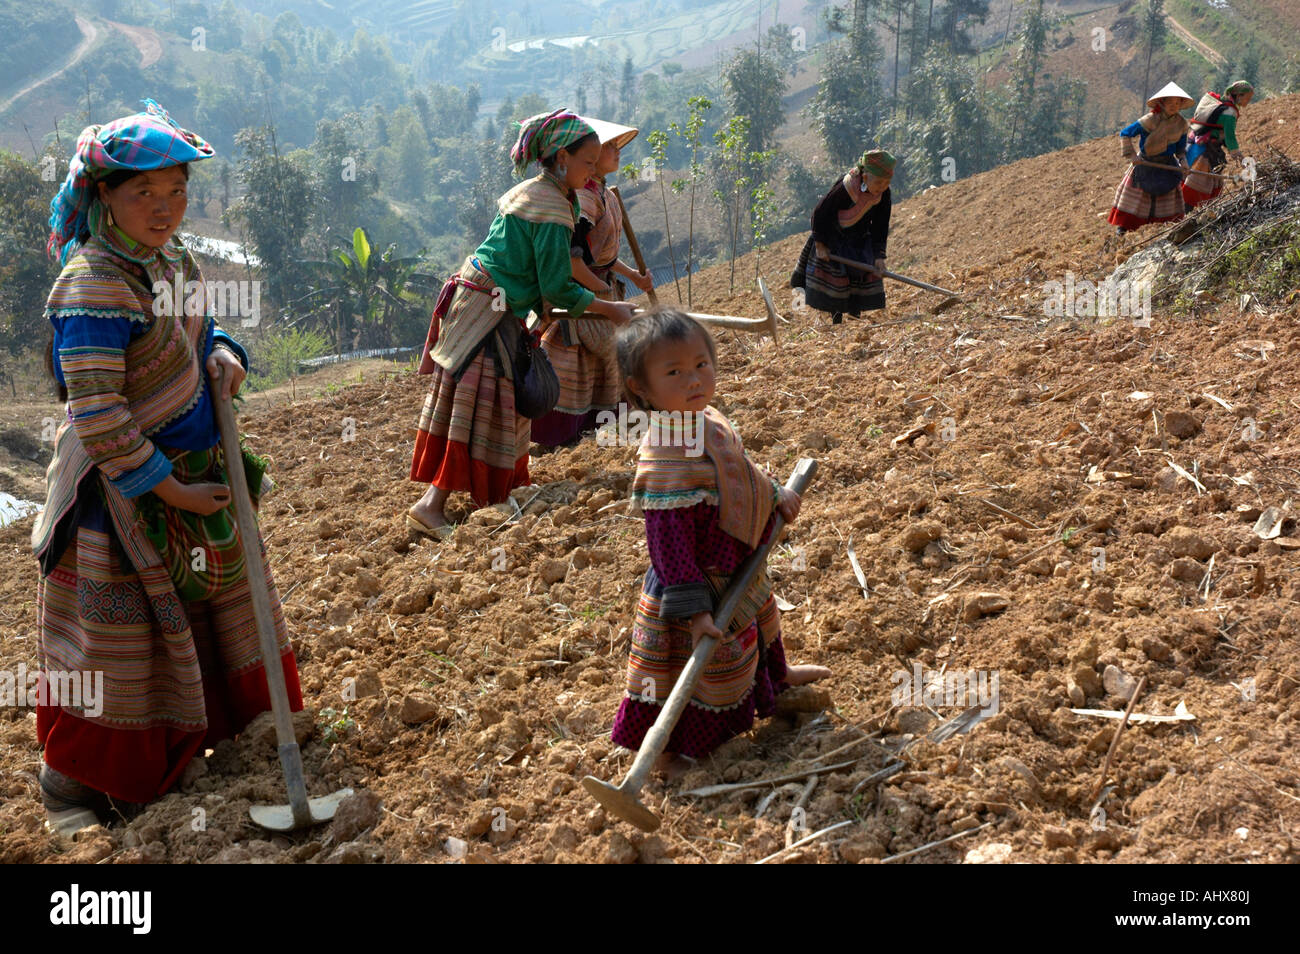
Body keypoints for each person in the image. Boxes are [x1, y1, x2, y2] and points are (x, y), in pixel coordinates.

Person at [31, 100, 301, 832]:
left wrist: (227, 357)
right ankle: (72, 786)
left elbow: (203, 330)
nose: (164, 207)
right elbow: (98, 410)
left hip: (192, 468)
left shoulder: (172, 260)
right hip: (117, 493)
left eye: (176, 190)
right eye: (143, 193)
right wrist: (170, 488)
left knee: (203, 617)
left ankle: (183, 759)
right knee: (118, 645)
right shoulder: (92, 284)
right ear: (104, 199)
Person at [608, 311, 831, 776]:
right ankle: (673, 754)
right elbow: (667, 549)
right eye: (674, 372)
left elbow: (739, 471)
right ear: (641, 389)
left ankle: (780, 678)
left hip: (736, 560)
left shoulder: (707, 420)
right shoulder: (665, 457)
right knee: (704, 670)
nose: (694, 379)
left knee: (764, 623)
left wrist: (776, 495)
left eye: (701, 364)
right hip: (695, 584)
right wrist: (695, 612)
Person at [407, 109, 636, 538]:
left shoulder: (542, 192)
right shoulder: (550, 207)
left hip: (484, 302)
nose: (592, 170)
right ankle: (431, 506)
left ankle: (494, 496)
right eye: (587, 162)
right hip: (486, 313)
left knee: (494, 406)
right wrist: (611, 309)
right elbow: (558, 287)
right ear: (561, 159)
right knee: (478, 405)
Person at [531, 117, 653, 448]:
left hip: (601, 287)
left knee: (607, 364)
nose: (615, 153)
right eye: (608, 148)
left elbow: (604, 256)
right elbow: (574, 261)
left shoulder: (605, 194)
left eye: (614, 146)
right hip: (581, 290)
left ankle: (602, 427)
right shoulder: (584, 198)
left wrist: (633, 277)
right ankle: (555, 435)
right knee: (577, 362)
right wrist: (601, 296)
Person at [791, 149, 894, 325]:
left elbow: (880, 226)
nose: (882, 187)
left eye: (887, 182)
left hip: (859, 240)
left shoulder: (883, 195)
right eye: (879, 182)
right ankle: (836, 320)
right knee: (836, 282)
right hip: (834, 237)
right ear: (865, 176)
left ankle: (855, 318)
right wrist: (821, 244)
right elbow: (820, 212)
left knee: (858, 278)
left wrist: (878, 256)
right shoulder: (846, 188)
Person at [1107, 82, 1194, 237]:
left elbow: (1180, 148)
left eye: (1177, 102)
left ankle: (1166, 231)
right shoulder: (1150, 120)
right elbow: (1125, 134)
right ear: (1162, 102)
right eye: (1170, 102)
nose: (1174, 106)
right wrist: (1132, 156)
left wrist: (1184, 162)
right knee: (1137, 197)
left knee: (1168, 199)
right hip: (1145, 163)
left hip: (1167, 164)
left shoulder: (1181, 124)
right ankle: (1124, 228)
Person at [1182, 80, 1254, 209]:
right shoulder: (1230, 113)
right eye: (1247, 98)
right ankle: (1189, 210)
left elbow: (1224, 136)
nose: (1248, 102)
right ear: (1239, 95)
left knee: (1202, 179)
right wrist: (1237, 154)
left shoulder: (1224, 106)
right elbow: (1230, 137)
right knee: (1199, 181)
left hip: (1199, 145)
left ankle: (1197, 209)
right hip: (1207, 151)